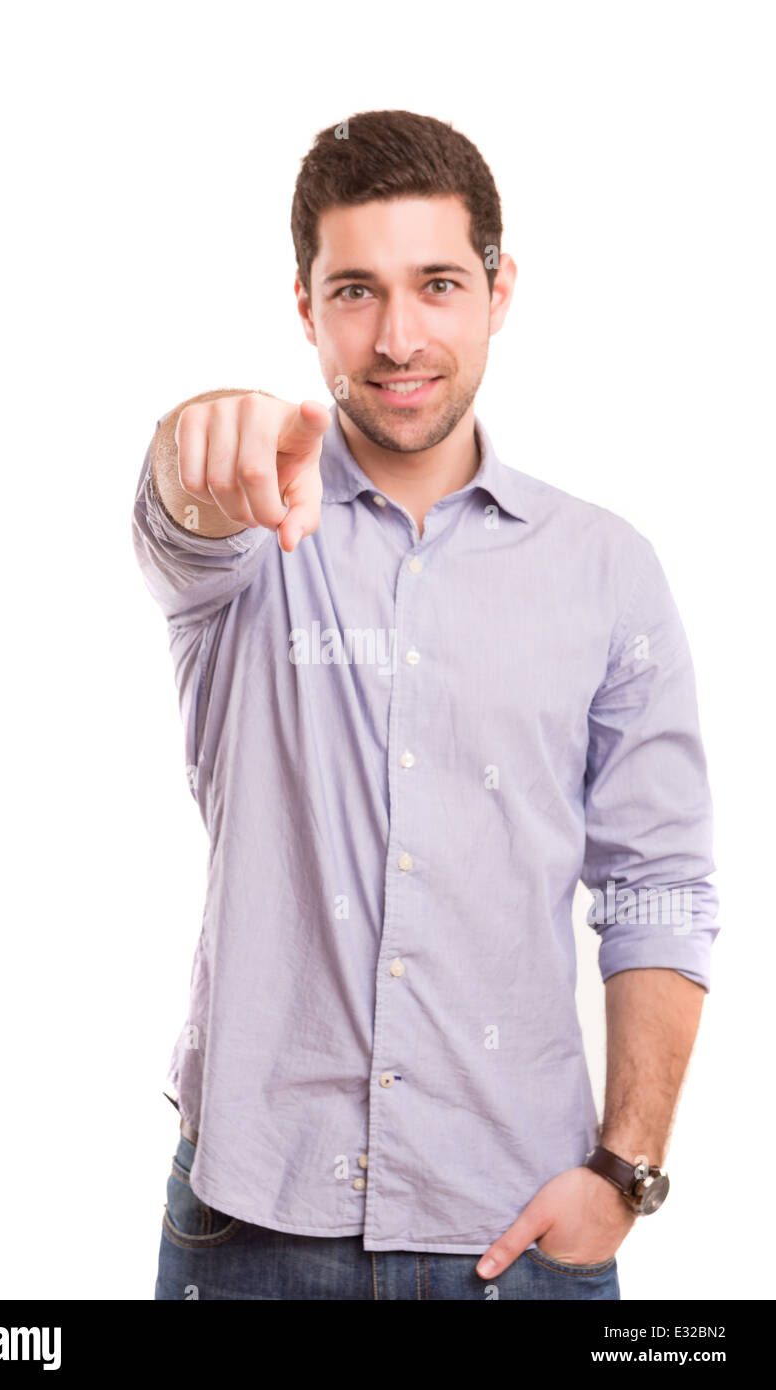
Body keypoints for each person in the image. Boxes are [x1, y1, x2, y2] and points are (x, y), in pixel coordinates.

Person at [131, 109, 719, 1301]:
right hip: (251, 1232)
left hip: (519, 1234)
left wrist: (626, 1168)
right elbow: (180, 515)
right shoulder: (251, 534)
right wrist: (191, 443)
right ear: (304, 307)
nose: (397, 336)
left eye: (437, 283)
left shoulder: (608, 570)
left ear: (498, 291)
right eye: (355, 290)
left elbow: (656, 884)